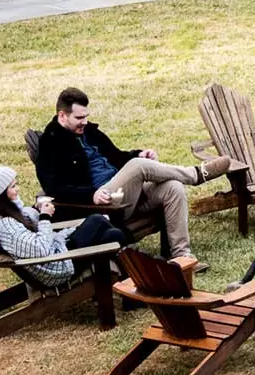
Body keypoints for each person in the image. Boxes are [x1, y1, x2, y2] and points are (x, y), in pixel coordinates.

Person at [32, 87, 229, 264]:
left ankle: (181, 257)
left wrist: (139, 154)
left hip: (124, 193)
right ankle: (195, 174)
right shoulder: (50, 143)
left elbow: (116, 156)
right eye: (79, 118)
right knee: (137, 167)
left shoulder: (89, 132)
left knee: (173, 187)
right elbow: (54, 187)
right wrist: (90, 195)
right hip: (102, 202)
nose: (84, 121)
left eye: (86, 116)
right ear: (62, 115)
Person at [0, 158, 125, 288]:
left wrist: (36, 210)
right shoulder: (7, 225)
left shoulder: (2, 212)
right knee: (99, 221)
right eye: (13, 186)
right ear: (1, 192)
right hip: (56, 266)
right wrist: (45, 217)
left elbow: (26, 222)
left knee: (112, 234)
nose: (18, 189)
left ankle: (130, 282)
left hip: (57, 254)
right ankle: (133, 280)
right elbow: (41, 248)